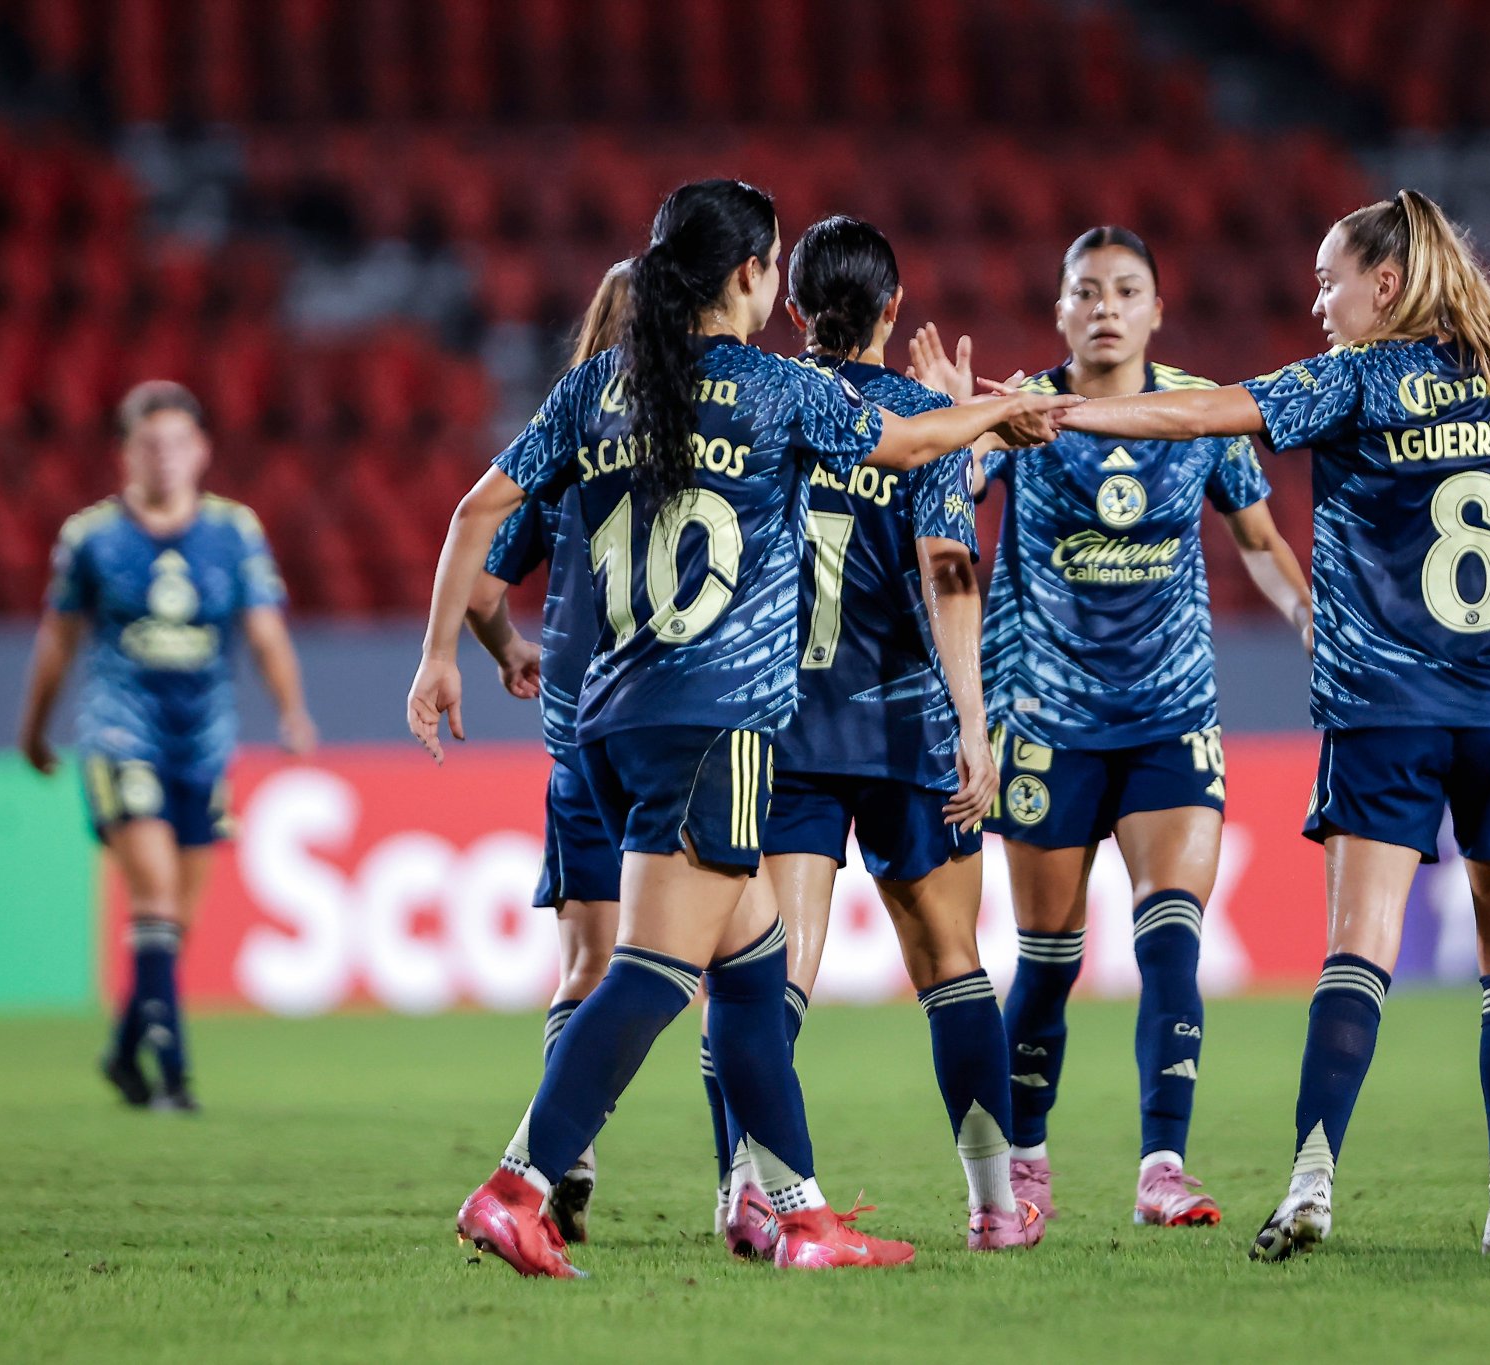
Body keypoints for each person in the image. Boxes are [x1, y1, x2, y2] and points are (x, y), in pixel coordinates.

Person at [1047, 189, 1490, 1260]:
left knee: (1356, 948)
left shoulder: (1354, 381)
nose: (1315, 300)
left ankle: (1310, 1183)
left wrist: (1066, 410)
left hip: (1384, 710)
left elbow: (1197, 412)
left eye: (1329, 279)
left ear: (1386, 281)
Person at [406, 178, 1074, 1277]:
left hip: (613, 728)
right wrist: (996, 414)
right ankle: (516, 1186)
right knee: (658, 971)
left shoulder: (594, 391)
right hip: (718, 725)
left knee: (756, 969)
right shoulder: (770, 391)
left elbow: (475, 513)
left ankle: (801, 1216)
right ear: (751, 275)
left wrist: (440, 652)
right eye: (764, 263)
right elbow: (907, 448)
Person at [911, 226, 1313, 1229]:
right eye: (1084, 290)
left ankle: (1162, 1165)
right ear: (1057, 312)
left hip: (1168, 716)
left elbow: (1258, 539)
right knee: (1049, 960)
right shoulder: (1022, 415)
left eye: (1124, 289)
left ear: (1154, 311)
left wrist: (1312, 621)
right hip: (1045, 721)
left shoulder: (1198, 414)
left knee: (1172, 930)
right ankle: (1028, 1163)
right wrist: (964, 430)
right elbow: (950, 504)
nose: (1103, 305)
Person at [699, 215, 1039, 1258]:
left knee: (769, 973)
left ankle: (749, 1191)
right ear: (893, 310)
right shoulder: (916, 418)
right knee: (951, 964)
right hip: (903, 727)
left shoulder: (769, 404)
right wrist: (974, 725)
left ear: (795, 309)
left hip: (781, 726)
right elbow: (949, 570)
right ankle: (992, 1207)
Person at [15, 380, 317, 1113]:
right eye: (150, 444)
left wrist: (292, 712)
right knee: (150, 893)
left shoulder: (233, 531)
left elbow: (265, 629)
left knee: (175, 917)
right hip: (120, 735)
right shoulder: (90, 537)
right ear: (125, 453)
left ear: (203, 450)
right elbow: (59, 639)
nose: (165, 457)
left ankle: (122, 1052)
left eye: (178, 442)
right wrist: (34, 726)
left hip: (203, 742)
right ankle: (173, 1075)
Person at [461, 260, 631, 1245]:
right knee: (731, 965)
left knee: (587, 961)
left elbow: (483, 585)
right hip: (688, 735)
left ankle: (565, 1148)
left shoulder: (565, 442)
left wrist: (507, 650)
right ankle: (753, 1177)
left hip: (580, 739)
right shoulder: (726, 432)